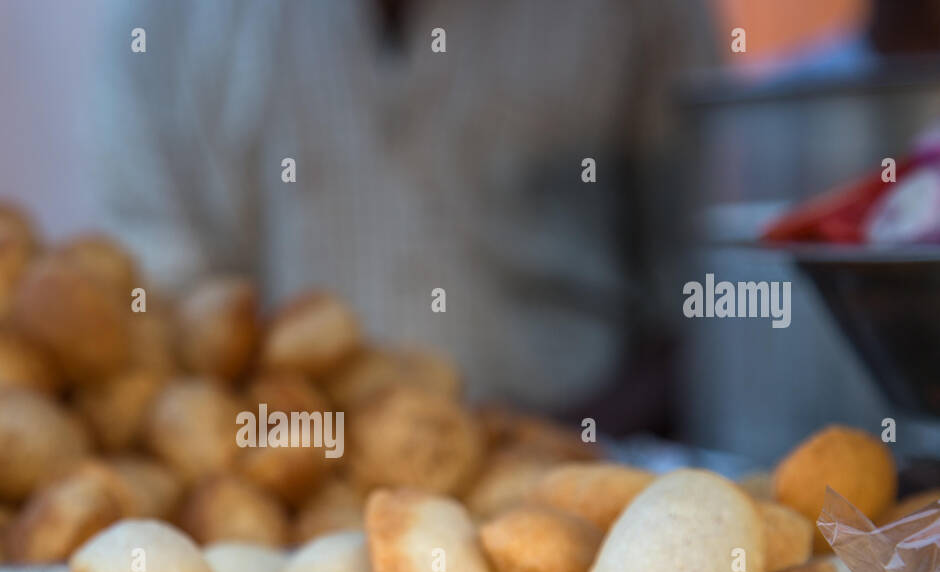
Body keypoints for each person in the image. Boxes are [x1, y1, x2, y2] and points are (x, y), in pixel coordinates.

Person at [96, 0, 715, 429]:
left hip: (596, 475)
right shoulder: (161, 22)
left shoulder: (639, 14)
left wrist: (569, 445)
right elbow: (164, 320)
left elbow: (714, 294)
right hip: (287, 504)